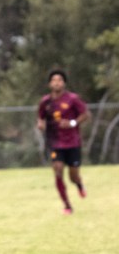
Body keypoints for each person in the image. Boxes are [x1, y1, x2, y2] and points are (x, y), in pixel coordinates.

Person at [36, 69, 90, 215]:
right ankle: (67, 205)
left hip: (73, 142)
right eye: (54, 80)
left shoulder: (72, 99)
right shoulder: (45, 102)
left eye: (59, 80)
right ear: (49, 84)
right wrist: (40, 123)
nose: (57, 83)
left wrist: (72, 123)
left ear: (64, 83)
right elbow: (40, 117)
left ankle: (79, 185)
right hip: (55, 143)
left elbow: (85, 114)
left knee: (73, 175)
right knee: (58, 171)